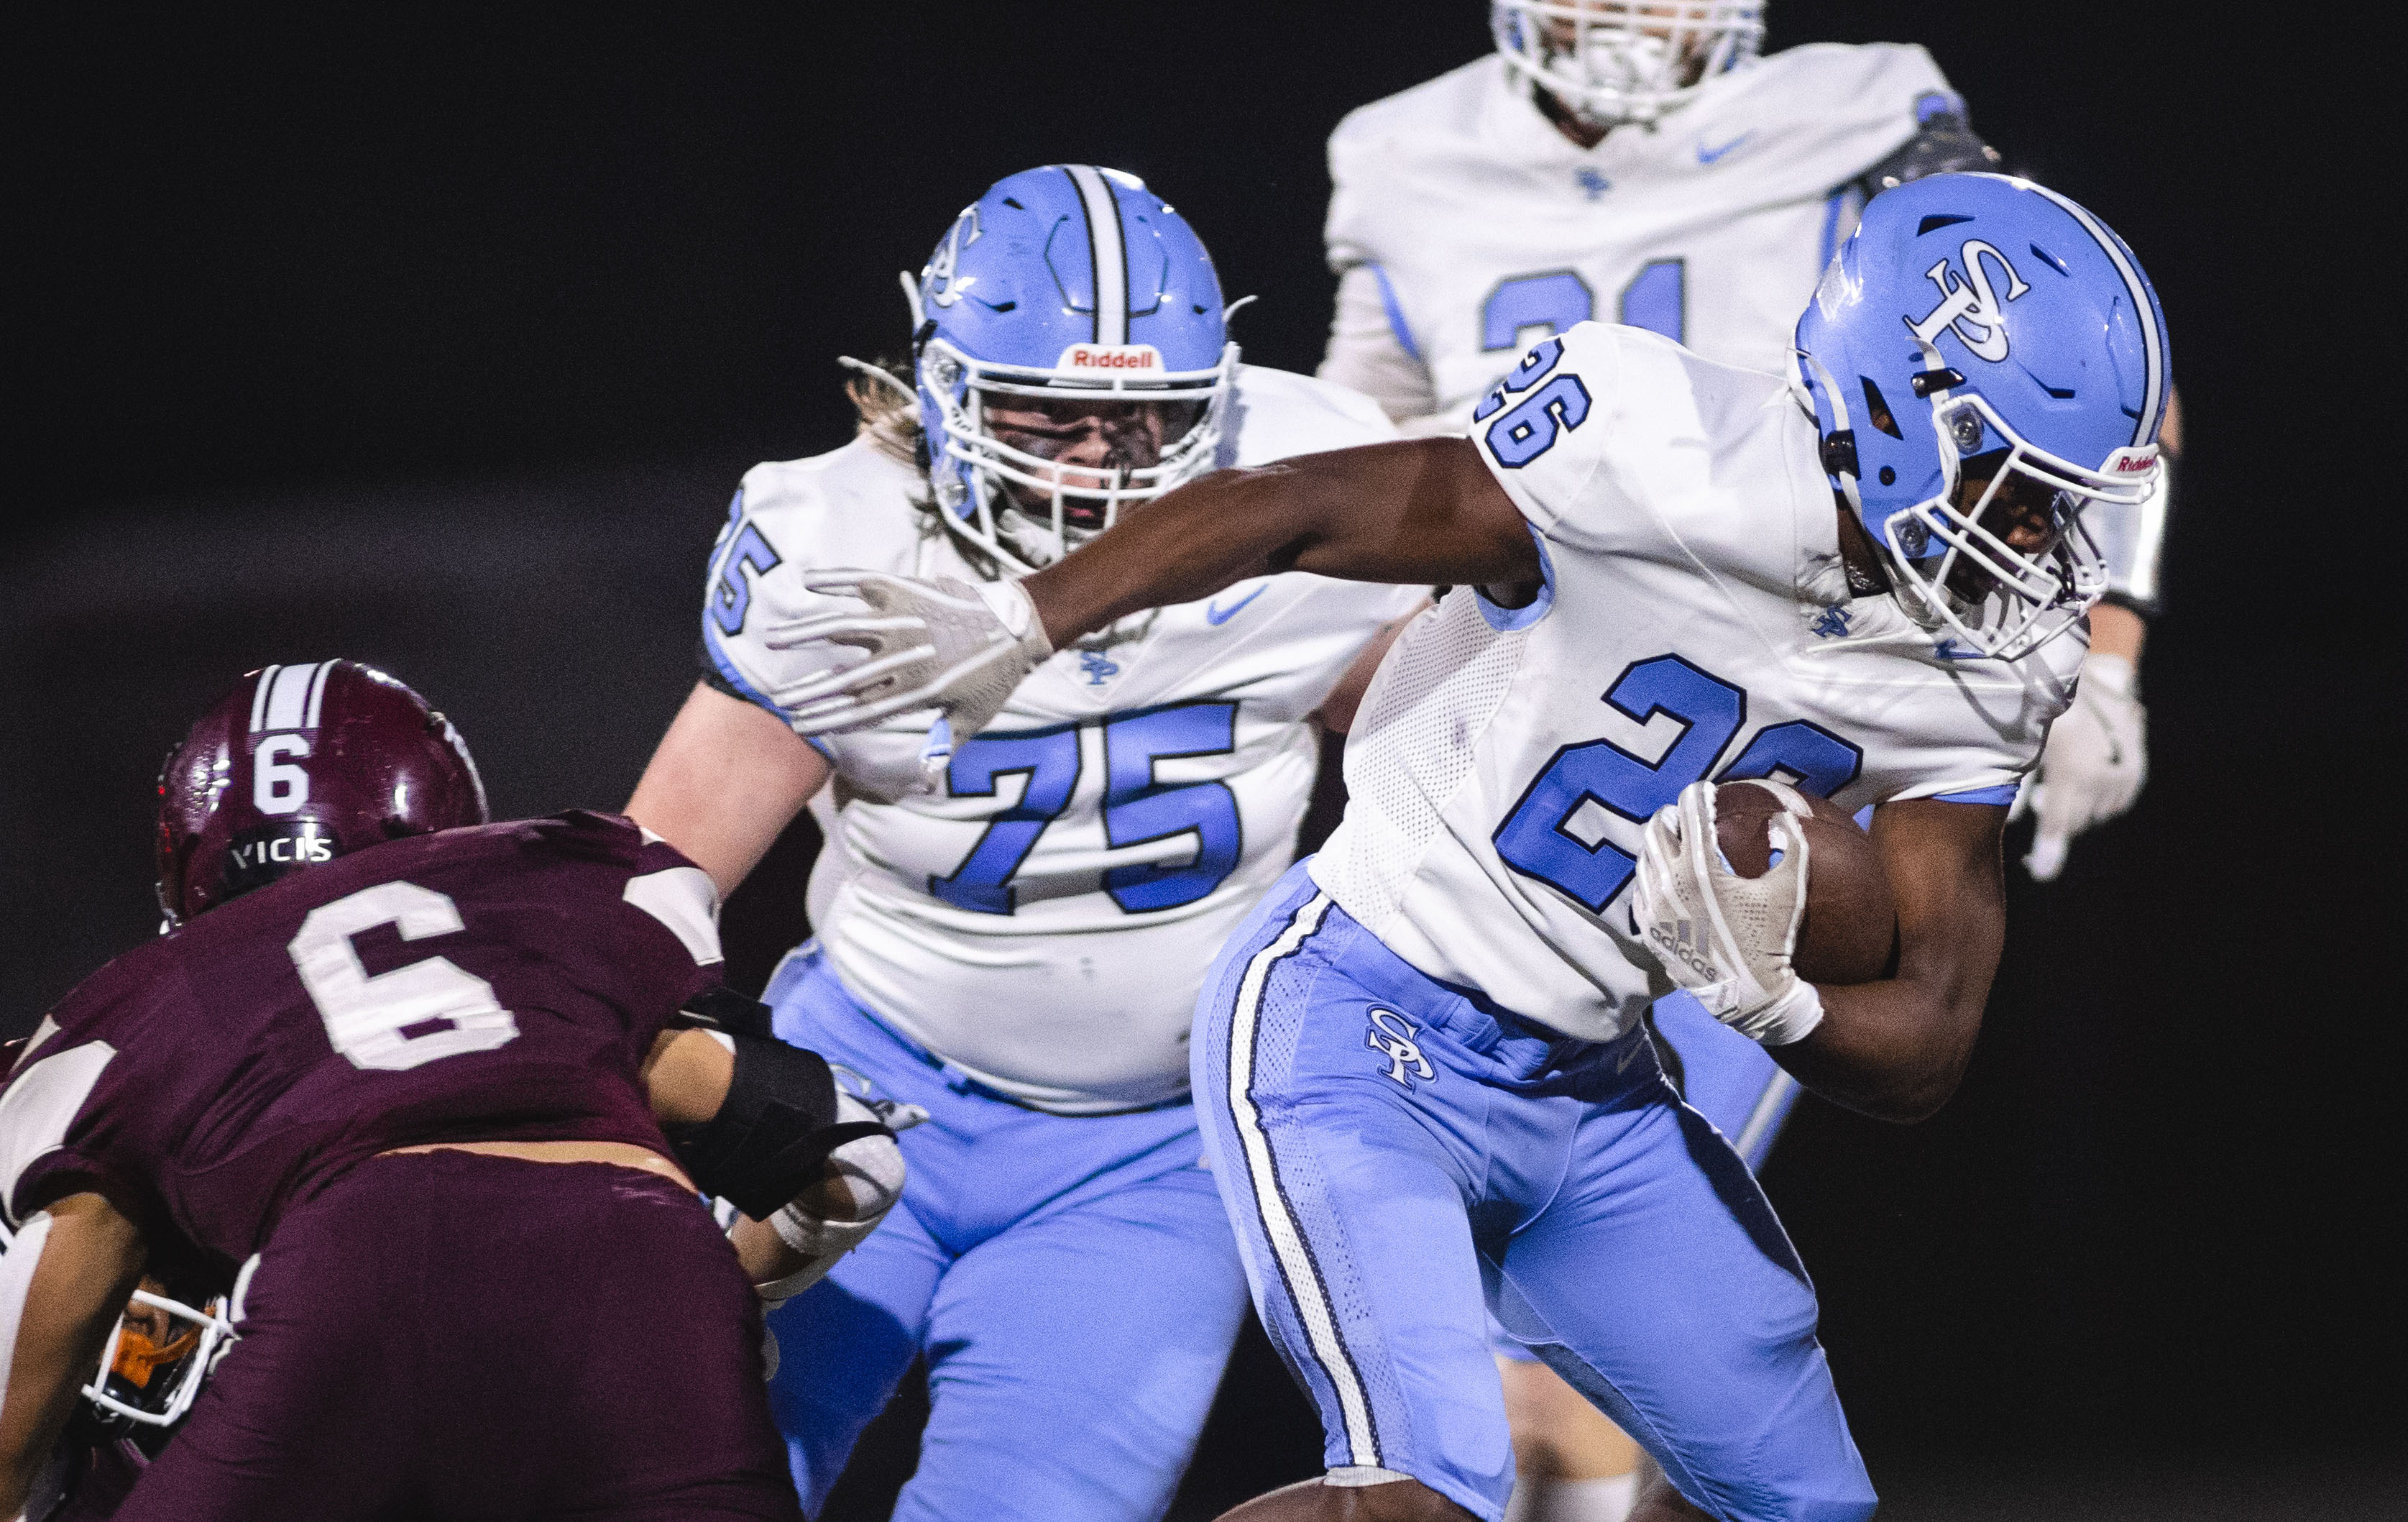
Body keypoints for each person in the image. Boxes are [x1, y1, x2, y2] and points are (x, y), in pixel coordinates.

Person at [754, 171, 2171, 1521]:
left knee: (1801, 1501)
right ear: (1897, 410)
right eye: (2020, 488)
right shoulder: (1658, 443)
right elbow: (1298, 504)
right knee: (1420, 1491)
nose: (2048, 548)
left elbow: (1927, 1039)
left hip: (1598, 1085)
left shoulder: (2000, 657)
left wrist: (1775, 1004)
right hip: (1357, 1017)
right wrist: (1026, 622)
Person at [1316, 0, 2174, 1507]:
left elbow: (2096, 377)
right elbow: (1363, 412)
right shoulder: (1397, 152)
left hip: (1765, 740)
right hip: (1508, 724)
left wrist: (2101, 650)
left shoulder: (1863, 109)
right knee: (1480, 1346)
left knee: (1583, 1351)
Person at [624, 163, 1424, 1521]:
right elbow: (646, 893)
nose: (1091, 468)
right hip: (858, 1096)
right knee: (699, 1480)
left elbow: (1443, 755)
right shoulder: (837, 536)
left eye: (1141, 421)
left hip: (1155, 1147)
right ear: (941, 392)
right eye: (1048, 415)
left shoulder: (1302, 489)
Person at [0, 659, 904, 1521]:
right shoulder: (557, 921)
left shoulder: (144, 1018)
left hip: (354, 1286)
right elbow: (853, 1155)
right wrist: (707, 1311)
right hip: (641, 1261)